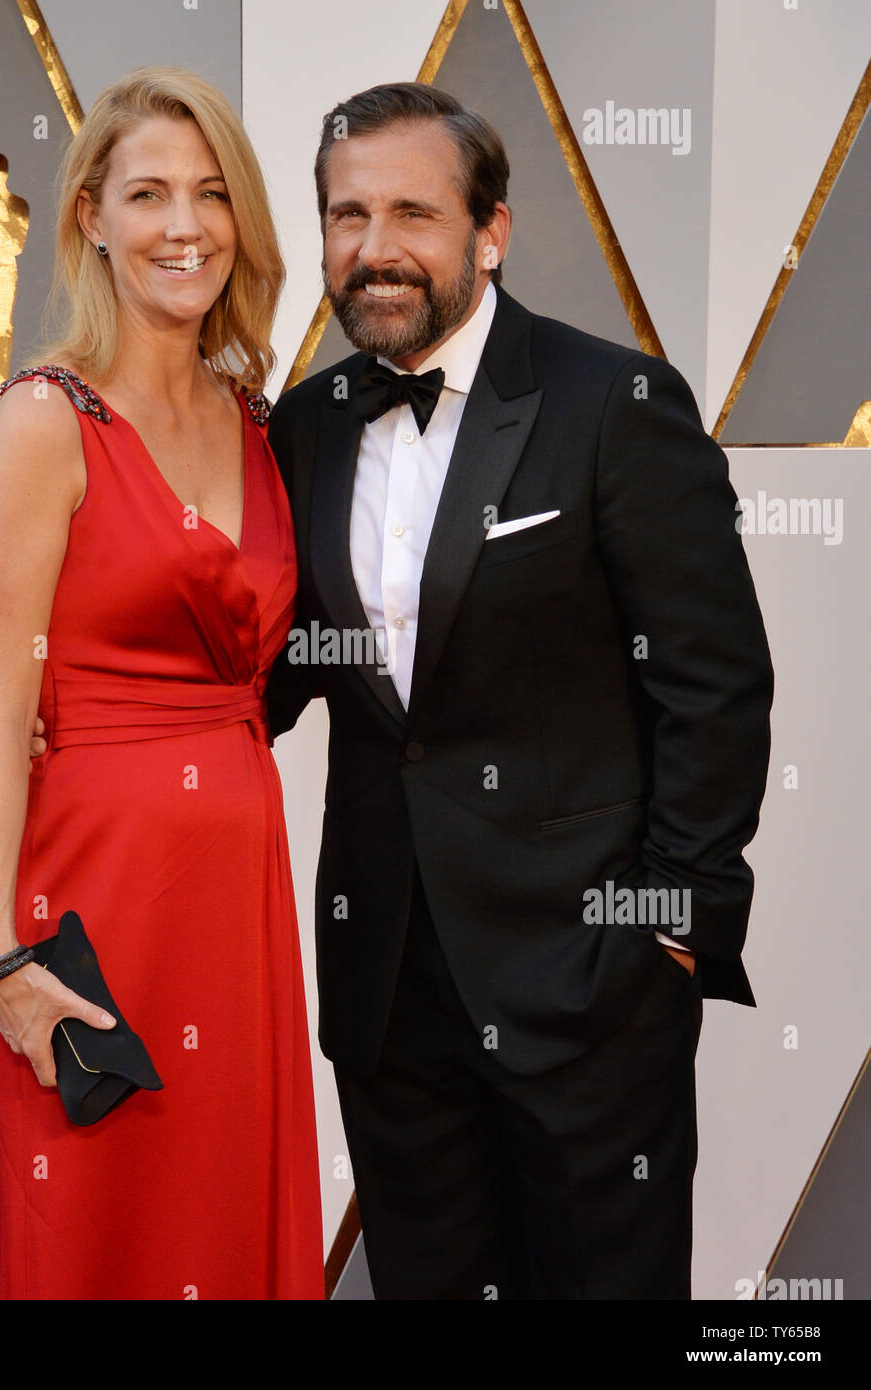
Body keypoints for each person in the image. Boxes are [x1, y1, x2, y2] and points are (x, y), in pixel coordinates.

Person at [262, 83, 774, 1299]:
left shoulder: (615, 403)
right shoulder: (307, 425)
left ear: (490, 231)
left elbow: (714, 681)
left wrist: (673, 929)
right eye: (346, 216)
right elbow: (270, 667)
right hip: (387, 987)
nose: (373, 251)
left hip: (589, 977)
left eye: (411, 214)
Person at [0, 67, 323, 1300]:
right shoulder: (43, 423)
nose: (186, 225)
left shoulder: (258, 424)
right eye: (150, 193)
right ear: (90, 219)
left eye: (213, 193)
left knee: (226, 1222)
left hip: (239, 898)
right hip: (100, 903)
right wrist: (2, 956)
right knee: (106, 1234)